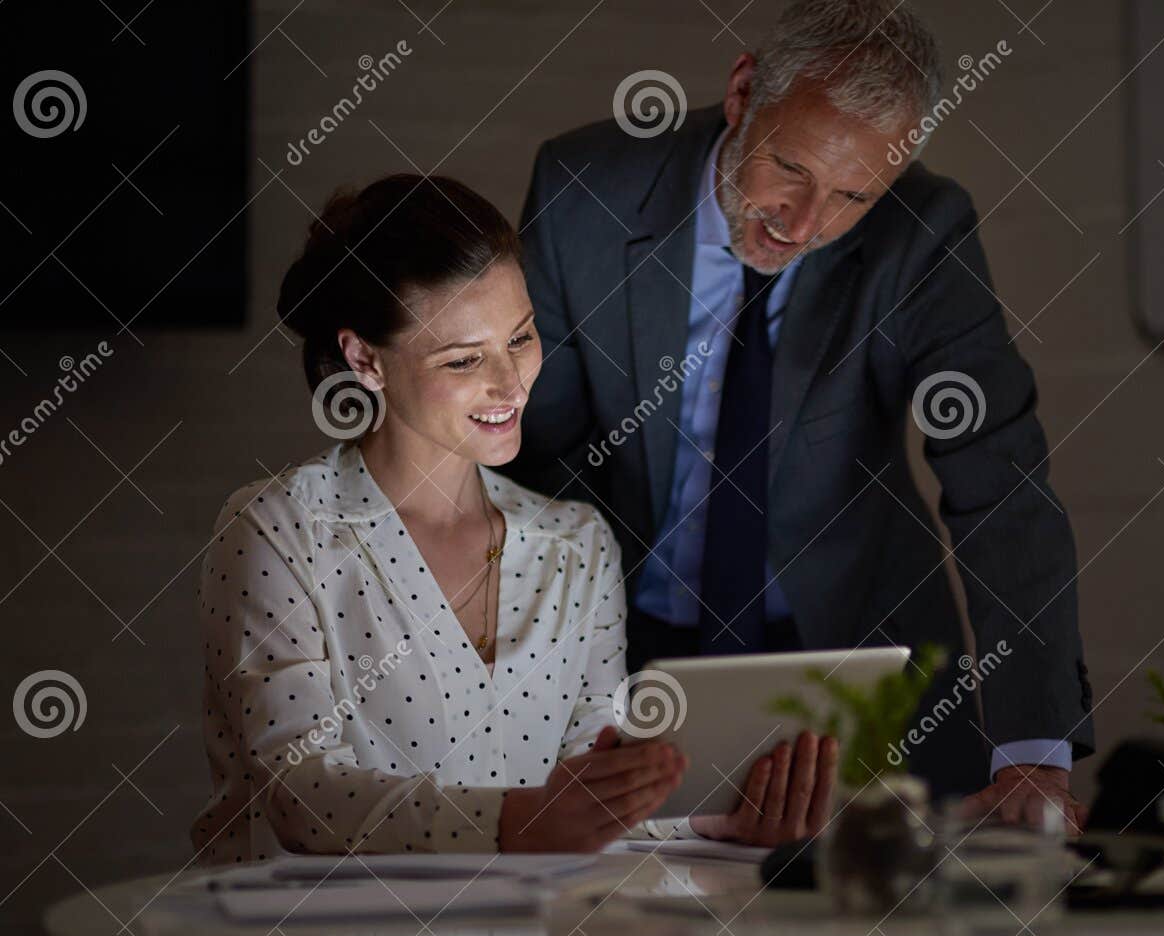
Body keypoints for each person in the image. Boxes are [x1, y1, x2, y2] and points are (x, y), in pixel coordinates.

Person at [504, 0, 1094, 831]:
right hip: (631, 658)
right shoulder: (584, 191)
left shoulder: (923, 231)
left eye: (853, 194)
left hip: (860, 664)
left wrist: (1034, 749)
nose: (804, 223)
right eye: (789, 168)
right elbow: (534, 464)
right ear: (744, 91)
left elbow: (1000, 480)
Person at [190, 174, 834, 864]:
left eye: (521, 339)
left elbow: (589, 806)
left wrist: (718, 824)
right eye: (465, 359)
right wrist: (515, 823)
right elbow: (301, 794)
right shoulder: (280, 529)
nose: (511, 384)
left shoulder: (576, 545)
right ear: (365, 360)